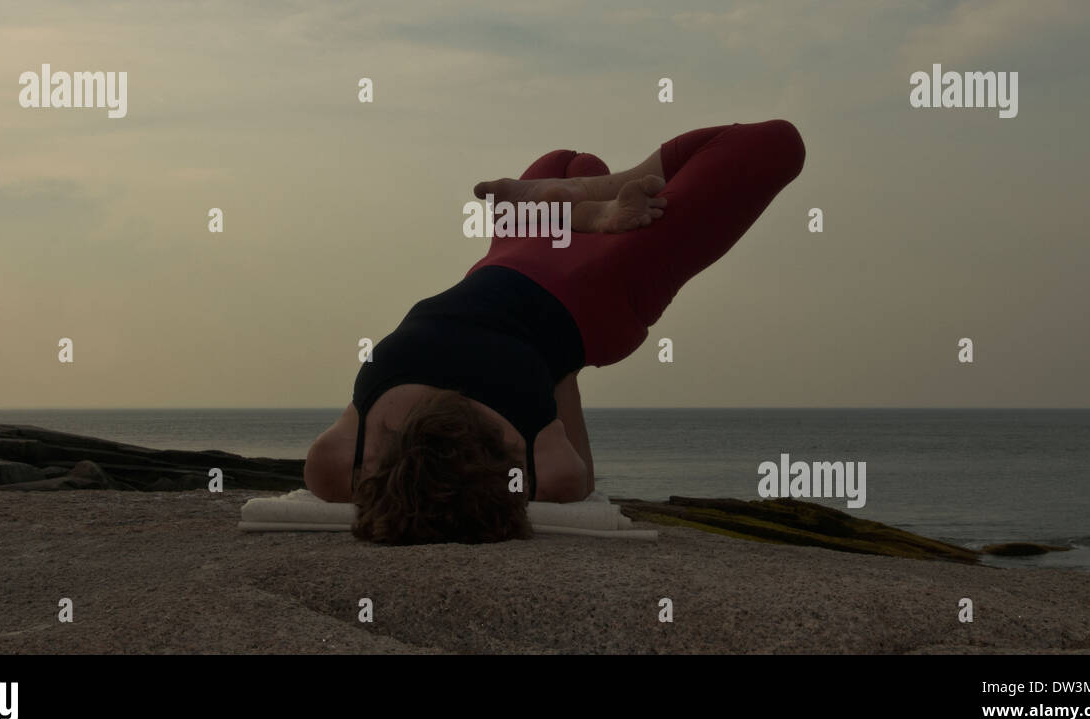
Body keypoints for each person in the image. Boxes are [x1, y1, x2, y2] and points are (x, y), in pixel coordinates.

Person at [303, 120, 806, 544]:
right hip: (528, 261)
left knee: (774, 145)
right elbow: (329, 476)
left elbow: (578, 481)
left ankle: (585, 209)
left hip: (590, 291)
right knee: (570, 164)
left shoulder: (537, 464)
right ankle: (582, 207)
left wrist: (557, 371)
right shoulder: (343, 456)